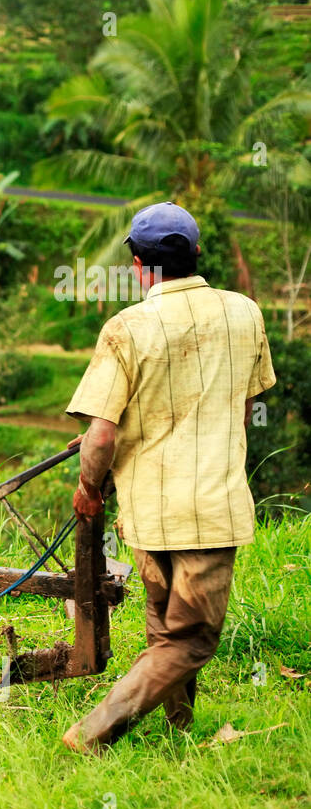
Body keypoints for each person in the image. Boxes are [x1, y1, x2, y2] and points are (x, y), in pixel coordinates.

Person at [62, 201, 276, 753]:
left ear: (137, 264)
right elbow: (242, 398)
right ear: (197, 253)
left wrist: (89, 488)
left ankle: (178, 734)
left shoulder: (127, 328)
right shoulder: (244, 313)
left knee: (166, 632)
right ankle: (92, 733)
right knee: (192, 640)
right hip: (209, 507)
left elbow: (103, 435)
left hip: (148, 511)